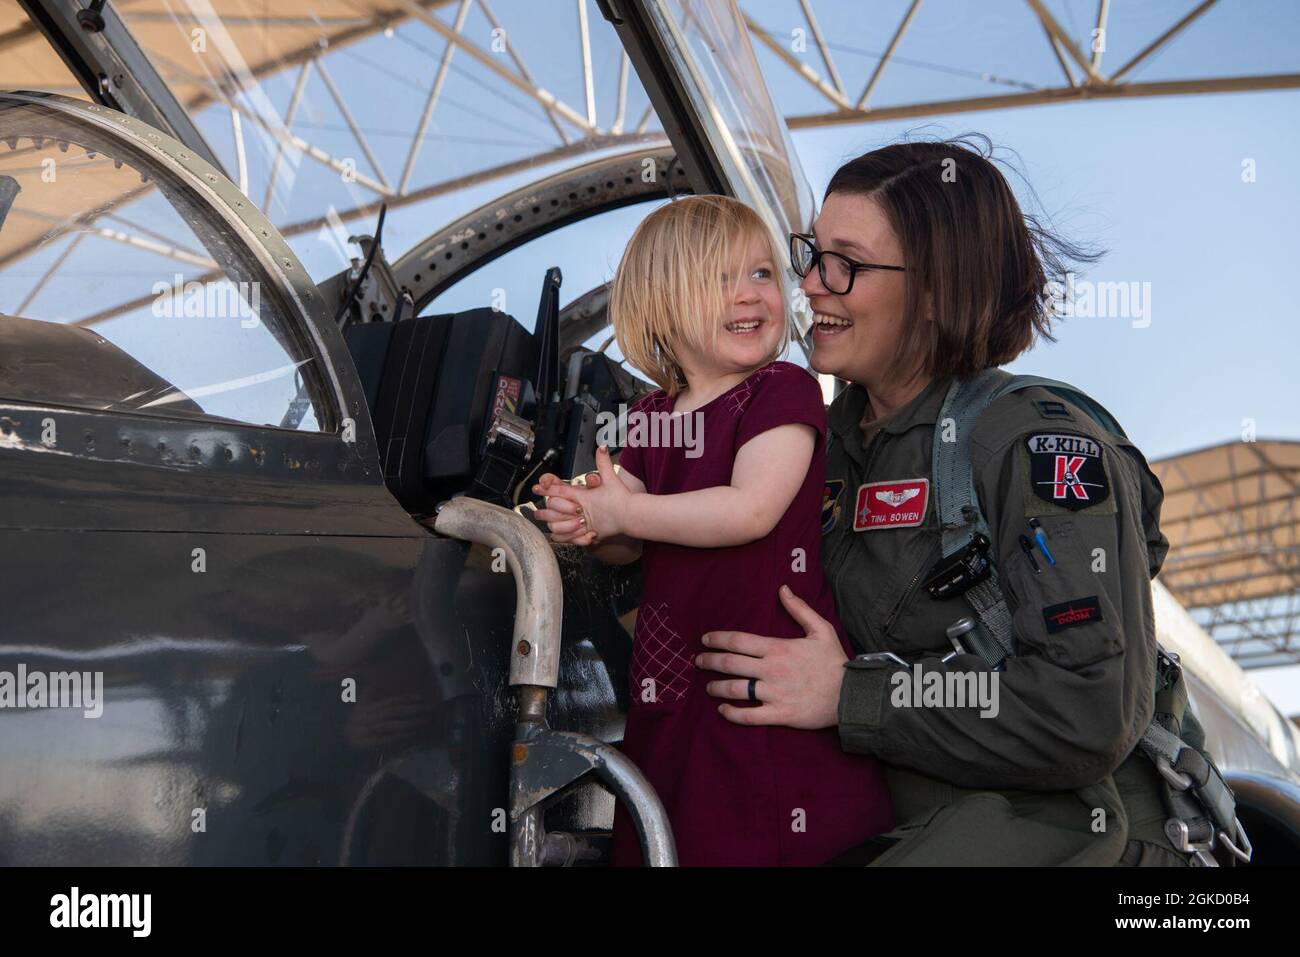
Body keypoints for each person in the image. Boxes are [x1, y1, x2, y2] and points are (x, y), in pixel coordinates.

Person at [553, 138, 1195, 866]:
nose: (811, 287)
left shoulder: (1027, 446)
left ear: (934, 290)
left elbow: (1086, 709)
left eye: (846, 266)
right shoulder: (815, 448)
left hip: (1076, 838)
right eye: (811, 255)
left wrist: (852, 695)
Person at [534, 194, 894, 866]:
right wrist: (585, 513)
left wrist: (625, 512)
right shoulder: (651, 414)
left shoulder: (780, 390)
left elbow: (749, 508)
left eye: (762, 274)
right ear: (662, 306)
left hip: (765, 689)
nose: (750, 294)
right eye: (718, 279)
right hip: (678, 693)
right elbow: (627, 533)